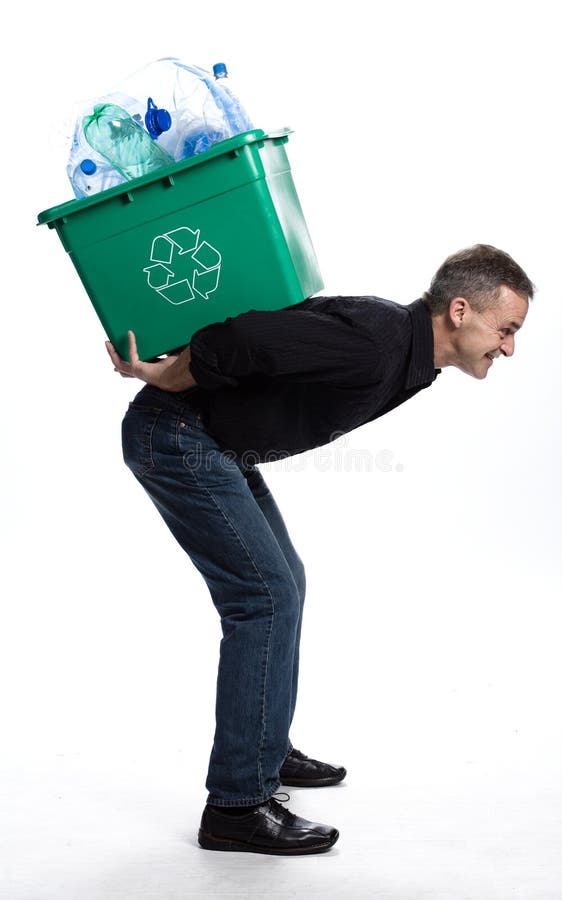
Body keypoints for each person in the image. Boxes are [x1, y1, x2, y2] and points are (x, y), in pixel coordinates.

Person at [106, 243, 533, 856]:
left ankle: (264, 748)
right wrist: (174, 373)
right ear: (461, 311)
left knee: (285, 584)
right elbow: (247, 339)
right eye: (507, 329)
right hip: (176, 435)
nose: (510, 347)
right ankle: (235, 807)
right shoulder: (381, 340)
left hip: (217, 441)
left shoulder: (408, 353)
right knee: (264, 595)